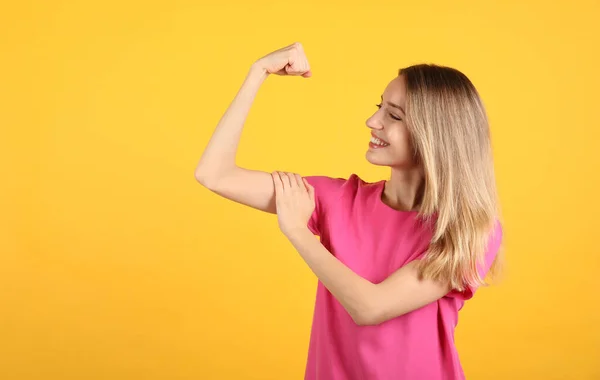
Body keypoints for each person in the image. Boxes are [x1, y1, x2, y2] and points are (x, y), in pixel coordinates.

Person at [195, 42, 504, 380]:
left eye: (394, 115)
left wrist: (298, 232)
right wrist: (258, 73)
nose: (373, 121)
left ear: (437, 136)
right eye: (379, 106)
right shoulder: (335, 199)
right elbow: (214, 174)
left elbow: (370, 307)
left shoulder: (469, 230)